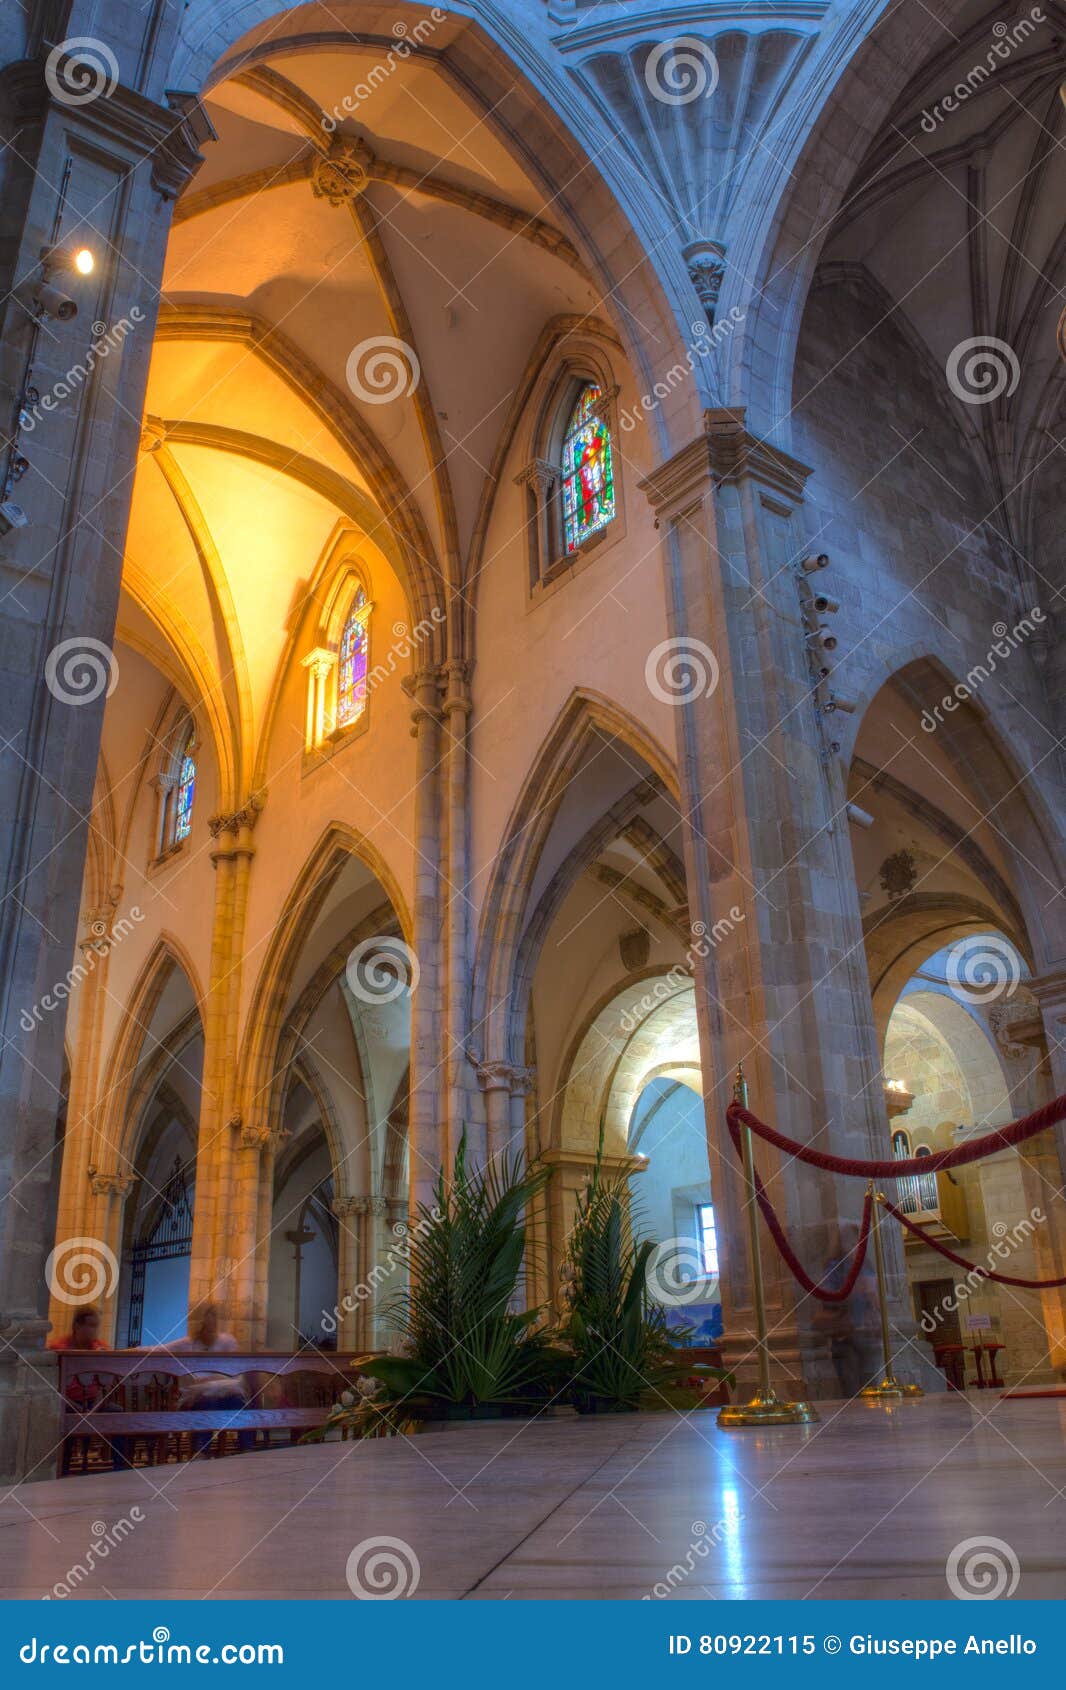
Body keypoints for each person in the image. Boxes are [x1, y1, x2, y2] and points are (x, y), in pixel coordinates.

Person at [149, 1303, 254, 1456]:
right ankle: (201, 1451)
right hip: (198, 1397)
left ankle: (246, 1450)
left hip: (224, 1392)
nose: (210, 1325)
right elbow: (157, 1350)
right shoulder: (187, 1344)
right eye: (206, 1321)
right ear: (199, 1323)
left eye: (213, 1320)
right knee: (208, 1404)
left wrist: (214, 1380)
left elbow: (234, 1369)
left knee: (239, 1403)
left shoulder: (227, 1341)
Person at [48, 1305, 131, 1470]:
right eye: (91, 1325)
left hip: (95, 1402)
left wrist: (94, 1407)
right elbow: (52, 1385)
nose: (95, 1331)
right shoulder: (58, 1347)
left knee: (119, 1415)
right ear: (77, 1326)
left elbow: (106, 1385)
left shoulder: (100, 1347)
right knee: (64, 1418)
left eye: (96, 1326)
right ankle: (62, 1469)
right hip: (67, 1402)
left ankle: (121, 1468)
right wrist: (74, 1405)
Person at [812, 1221, 882, 1399]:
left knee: (871, 1386)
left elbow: (876, 1300)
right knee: (851, 1389)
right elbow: (828, 1296)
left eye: (857, 1242)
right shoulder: (834, 1267)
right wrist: (855, 1290)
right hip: (845, 1336)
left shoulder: (865, 1265)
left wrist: (872, 1297)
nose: (855, 1247)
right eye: (851, 1242)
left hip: (866, 1334)